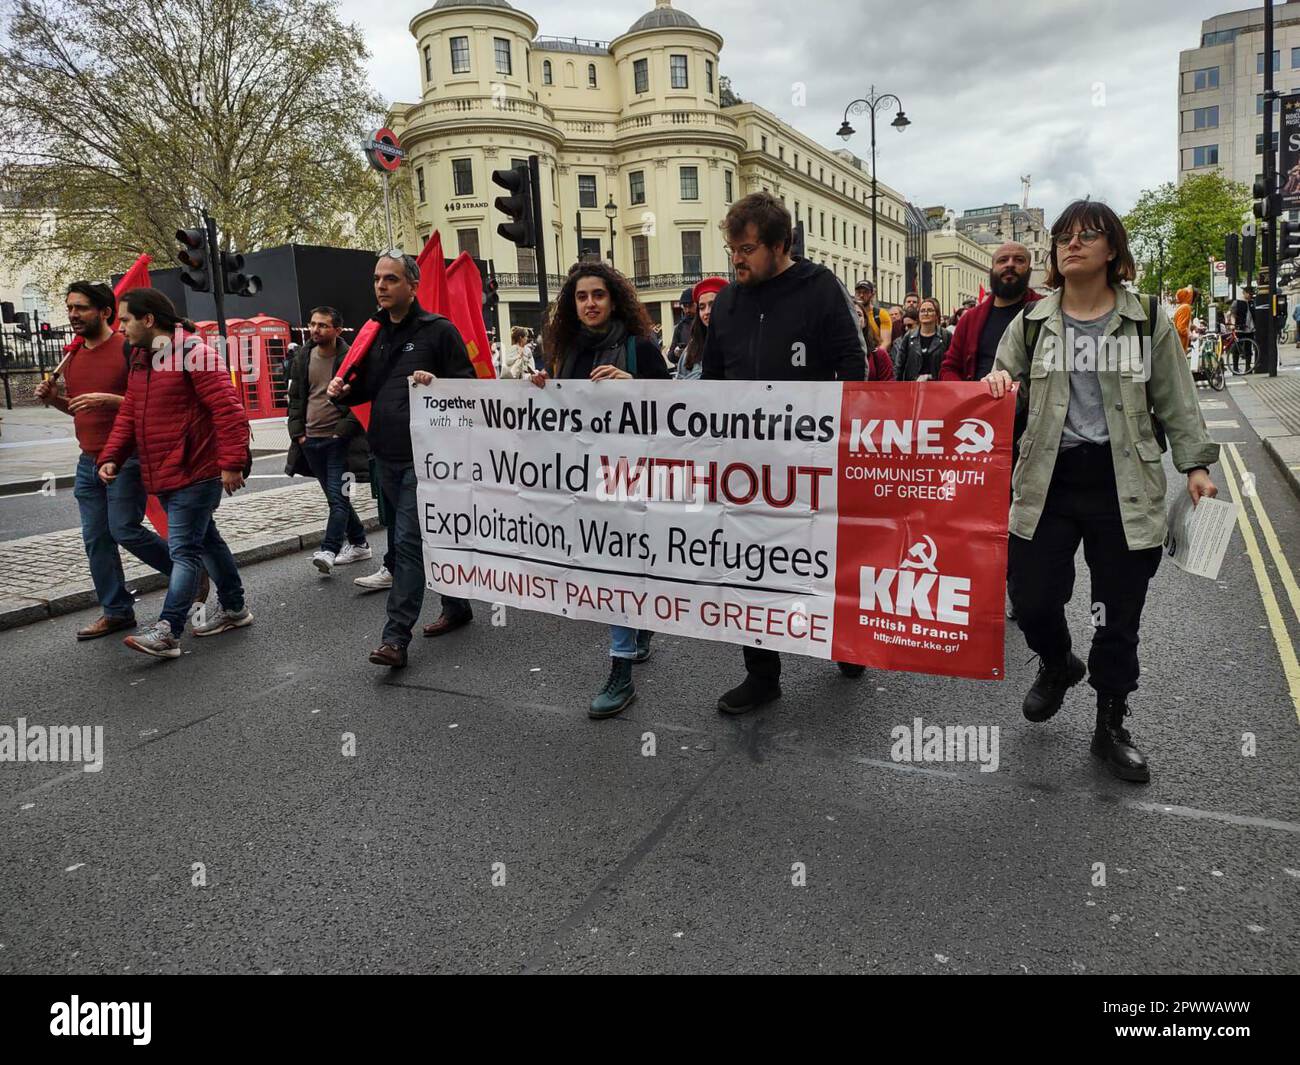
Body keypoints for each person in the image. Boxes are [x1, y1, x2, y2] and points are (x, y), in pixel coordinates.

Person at [984, 199, 1219, 783]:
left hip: (1124, 483)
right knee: (1032, 597)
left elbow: (1176, 397)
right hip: (1047, 479)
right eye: (1064, 236)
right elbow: (1002, 379)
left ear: (1112, 249)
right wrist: (995, 383)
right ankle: (1059, 662)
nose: (1073, 244)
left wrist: (1194, 466)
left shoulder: (1146, 320)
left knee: (1118, 616)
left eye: (1088, 235)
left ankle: (1111, 723)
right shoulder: (1034, 323)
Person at [703, 191, 868, 714]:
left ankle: (845, 637)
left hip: (811, 461)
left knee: (822, 556)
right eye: (732, 248)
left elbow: (854, 368)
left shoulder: (821, 289)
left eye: (747, 249)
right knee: (750, 565)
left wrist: (834, 437)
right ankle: (761, 673)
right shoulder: (727, 302)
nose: (737, 259)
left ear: (779, 245)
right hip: (746, 468)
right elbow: (711, 380)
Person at [529, 262, 670, 717]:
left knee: (621, 568)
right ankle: (637, 630)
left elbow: (679, 411)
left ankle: (621, 672)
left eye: (598, 295)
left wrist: (636, 386)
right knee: (614, 567)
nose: (590, 304)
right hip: (584, 479)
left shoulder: (640, 347)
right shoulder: (566, 352)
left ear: (614, 300)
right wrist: (541, 391)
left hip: (634, 478)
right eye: (581, 296)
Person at [327, 251, 476, 668]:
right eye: (377, 279)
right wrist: (344, 392)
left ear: (413, 285)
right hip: (384, 456)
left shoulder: (439, 331)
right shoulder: (373, 334)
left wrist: (438, 382)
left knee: (406, 544)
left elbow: (470, 388)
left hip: (424, 461)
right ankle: (458, 605)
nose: (381, 286)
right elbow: (368, 388)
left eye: (391, 279)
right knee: (418, 537)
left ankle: (395, 639)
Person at [34, 282, 198, 640]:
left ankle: (187, 573)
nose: (73, 315)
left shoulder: (130, 348)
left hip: (127, 457)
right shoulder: (73, 355)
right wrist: (56, 399)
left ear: (105, 312)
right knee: (96, 539)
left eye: (81, 308)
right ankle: (117, 610)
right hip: (87, 460)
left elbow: (153, 403)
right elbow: (80, 407)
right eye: (70, 308)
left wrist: (110, 400)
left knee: (124, 528)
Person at [97, 289, 252, 658]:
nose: (121, 329)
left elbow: (228, 411)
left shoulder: (194, 354)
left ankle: (168, 630)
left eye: (125, 320)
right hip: (164, 471)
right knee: (207, 541)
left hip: (195, 471)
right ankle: (234, 607)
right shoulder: (140, 358)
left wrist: (231, 463)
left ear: (148, 320)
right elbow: (131, 414)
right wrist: (112, 456)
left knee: (184, 551)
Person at [285, 306, 372, 577]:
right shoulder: (303, 356)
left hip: (338, 442)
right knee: (336, 498)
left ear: (337, 330)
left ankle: (328, 549)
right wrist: (297, 432)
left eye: (322, 325)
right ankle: (359, 543)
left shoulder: (350, 358)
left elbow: (359, 399)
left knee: (338, 498)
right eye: (312, 324)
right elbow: (297, 397)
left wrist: (341, 431)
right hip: (310, 440)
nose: (315, 330)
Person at [939, 242, 1041, 383]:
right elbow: (949, 368)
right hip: (978, 402)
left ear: (1029, 270)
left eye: (1019, 260)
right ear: (992, 270)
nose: (1010, 265)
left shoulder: (1045, 312)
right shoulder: (969, 320)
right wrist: (964, 394)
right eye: (1003, 260)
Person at [676, 276, 726, 380]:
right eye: (702, 307)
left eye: (712, 304)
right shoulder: (691, 349)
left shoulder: (740, 343)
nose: (707, 312)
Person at [893, 298, 949, 381]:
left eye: (930, 310)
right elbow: (899, 365)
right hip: (913, 388)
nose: (926, 313)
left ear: (936, 315)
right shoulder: (909, 336)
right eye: (922, 311)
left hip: (939, 388)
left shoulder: (946, 336)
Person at [853, 301, 895, 380]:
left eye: (858, 314)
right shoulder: (830, 354)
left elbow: (889, 388)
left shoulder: (879, 355)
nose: (854, 317)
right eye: (850, 313)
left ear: (865, 322)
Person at [854, 280, 891, 349]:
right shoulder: (850, 314)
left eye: (865, 292)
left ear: (872, 294)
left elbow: (886, 342)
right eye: (858, 292)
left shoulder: (881, 314)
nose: (861, 295)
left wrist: (875, 355)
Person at [667, 286, 696, 366]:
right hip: (687, 372)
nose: (687, 310)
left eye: (690, 306)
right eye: (684, 307)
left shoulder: (706, 323)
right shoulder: (680, 327)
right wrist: (675, 353)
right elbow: (670, 355)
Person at [1172, 285, 1195, 355]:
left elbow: (1184, 323)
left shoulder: (1180, 307)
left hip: (1177, 341)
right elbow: (1181, 327)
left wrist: (1194, 327)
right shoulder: (1186, 307)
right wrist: (1191, 336)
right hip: (1181, 342)